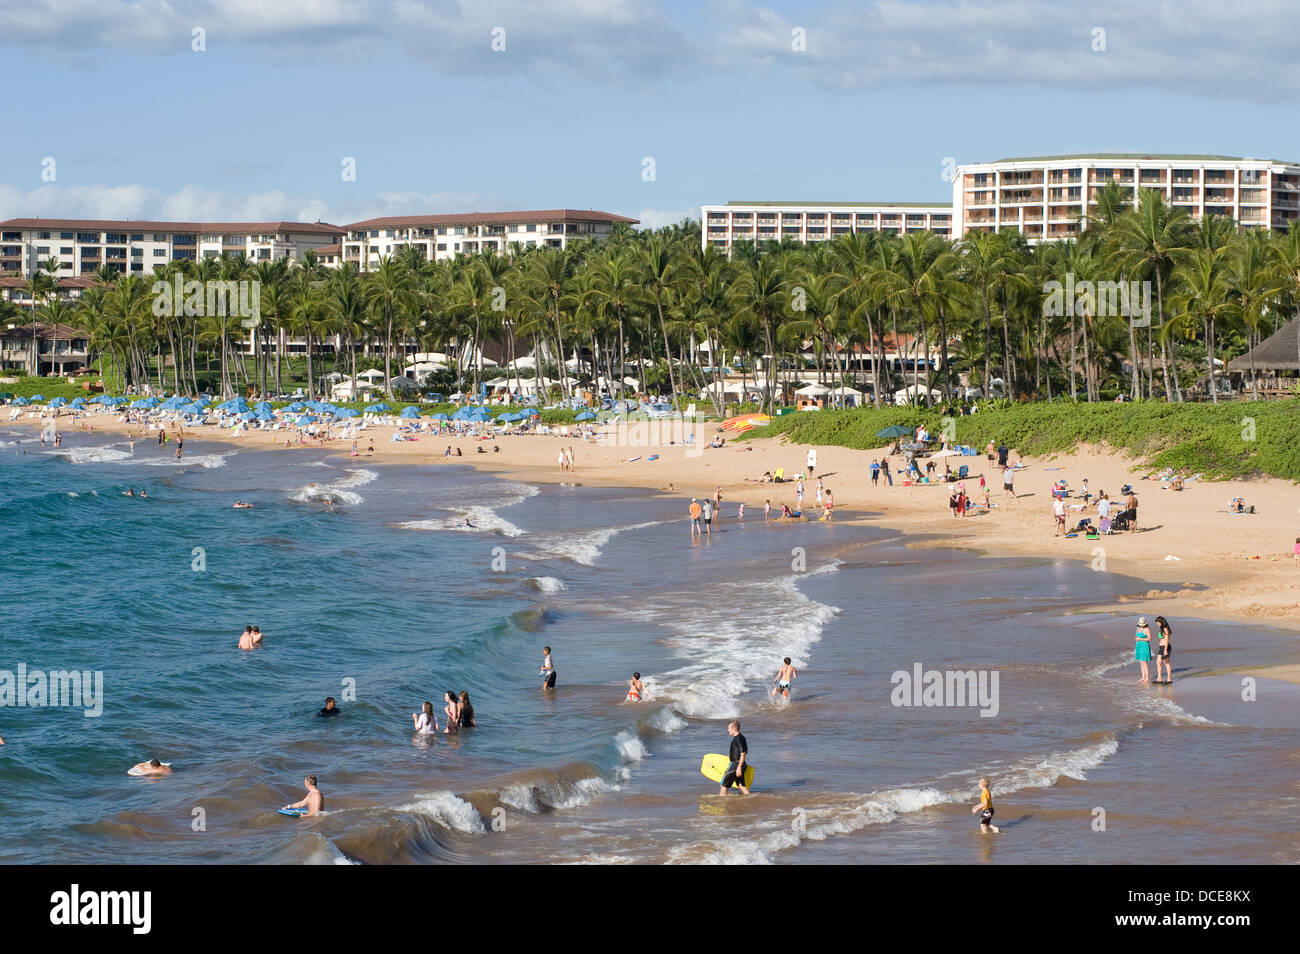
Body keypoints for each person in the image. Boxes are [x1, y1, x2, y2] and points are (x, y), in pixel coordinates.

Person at [718, 720, 750, 796]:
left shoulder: (738, 739)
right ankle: (750, 799)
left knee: (723, 785)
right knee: (740, 785)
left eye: (729, 728)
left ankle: (722, 804)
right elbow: (745, 751)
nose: (728, 730)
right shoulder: (741, 737)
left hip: (737, 765)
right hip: (738, 764)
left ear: (734, 728)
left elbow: (743, 753)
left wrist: (738, 767)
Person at [1134, 616, 1153, 685]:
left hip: (1144, 646)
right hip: (1138, 646)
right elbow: (1136, 636)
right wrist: (1136, 639)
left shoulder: (1147, 629)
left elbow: (1149, 639)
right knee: (1140, 662)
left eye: (1142, 624)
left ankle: (1147, 677)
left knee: (1144, 662)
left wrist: (1141, 639)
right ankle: (1143, 677)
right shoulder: (1138, 628)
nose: (1141, 625)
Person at [1154, 616, 1173, 684]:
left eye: (1158, 623)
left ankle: (1169, 679)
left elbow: (1167, 639)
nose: (1157, 624)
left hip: (1166, 647)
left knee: (1166, 663)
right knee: (1158, 662)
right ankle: (1159, 679)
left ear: (1161, 622)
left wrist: (1165, 650)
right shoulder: (1161, 628)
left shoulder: (1165, 628)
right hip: (1161, 647)